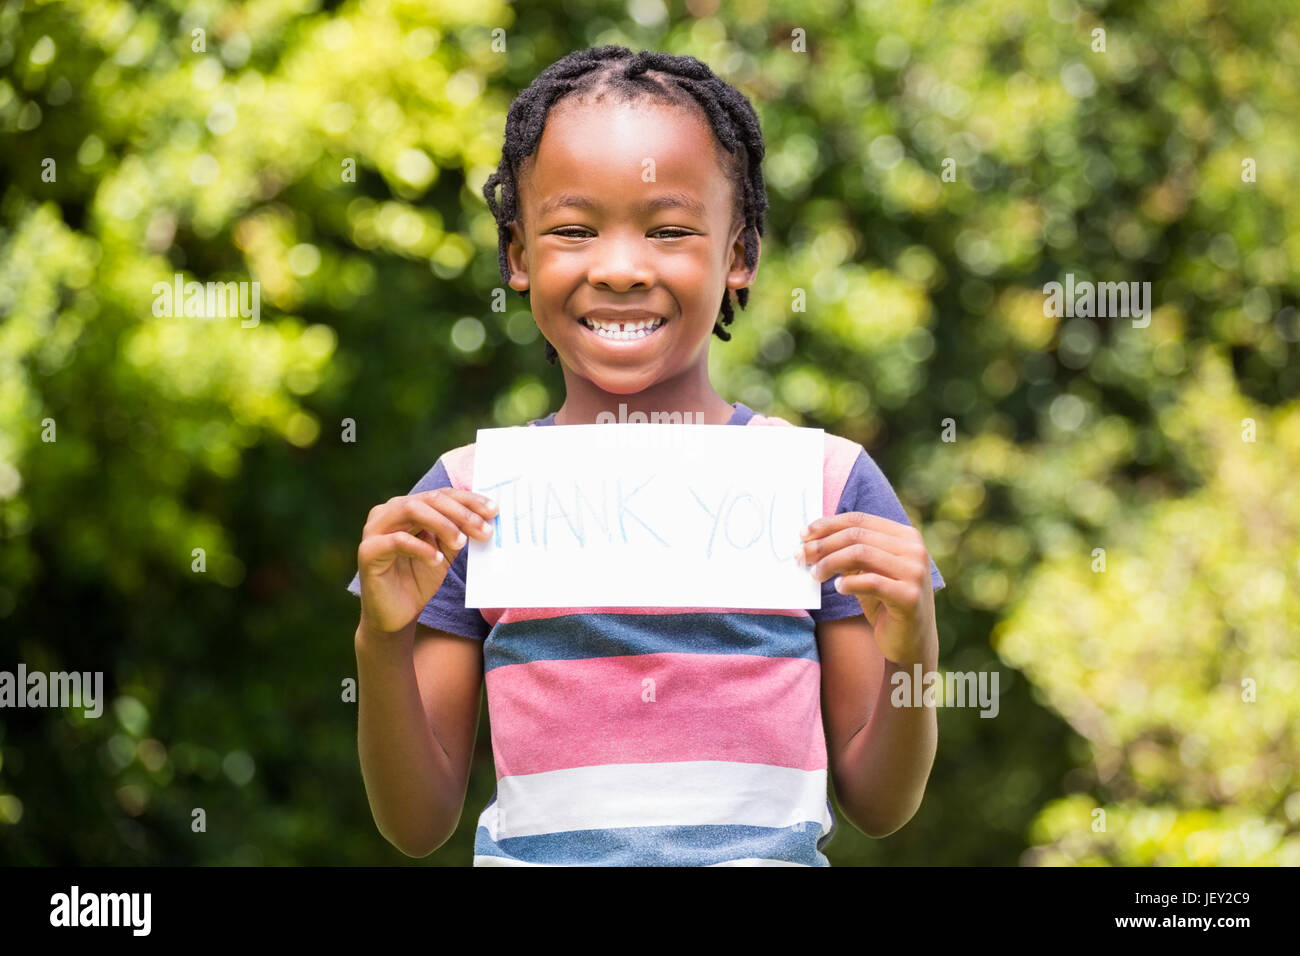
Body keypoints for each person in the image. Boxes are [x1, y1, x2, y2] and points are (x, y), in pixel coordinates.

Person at [347, 45, 945, 866]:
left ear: (739, 256)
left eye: (668, 230)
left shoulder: (825, 485)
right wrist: (380, 640)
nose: (622, 268)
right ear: (518, 256)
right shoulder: (463, 500)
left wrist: (917, 646)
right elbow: (416, 824)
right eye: (573, 229)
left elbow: (880, 803)